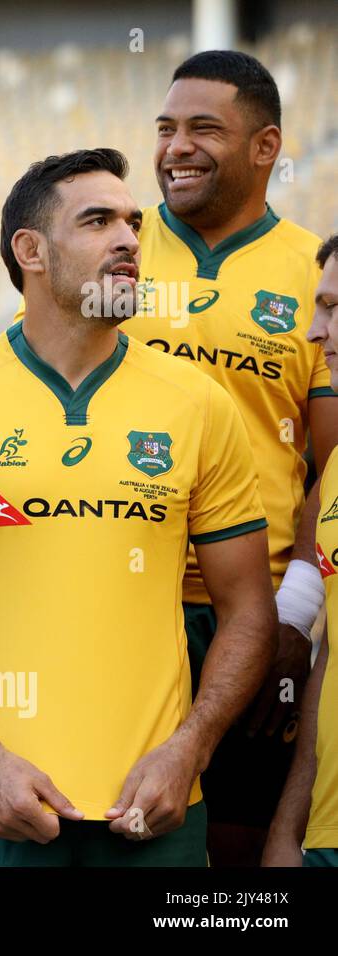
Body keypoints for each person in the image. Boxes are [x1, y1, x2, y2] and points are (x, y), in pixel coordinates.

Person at [0, 149, 276, 866]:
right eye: (98, 221)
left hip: (155, 809)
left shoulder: (197, 403)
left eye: (133, 223)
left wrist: (191, 750)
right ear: (30, 250)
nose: (128, 240)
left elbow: (246, 609)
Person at [16, 52, 336, 865]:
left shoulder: (311, 273)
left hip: (250, 616)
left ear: (266, 148)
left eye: (203, 129)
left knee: (234, 847)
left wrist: (295, 611)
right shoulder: (102, 246)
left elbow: (331, 464)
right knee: (90, 825)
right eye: (164, 128)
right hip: (115, 604)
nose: (176, 148)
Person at [264, 234, 338, 866]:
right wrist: (289, 833)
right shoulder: (337, 471)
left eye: (335, 310)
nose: (315, 333)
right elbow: (328, 659)